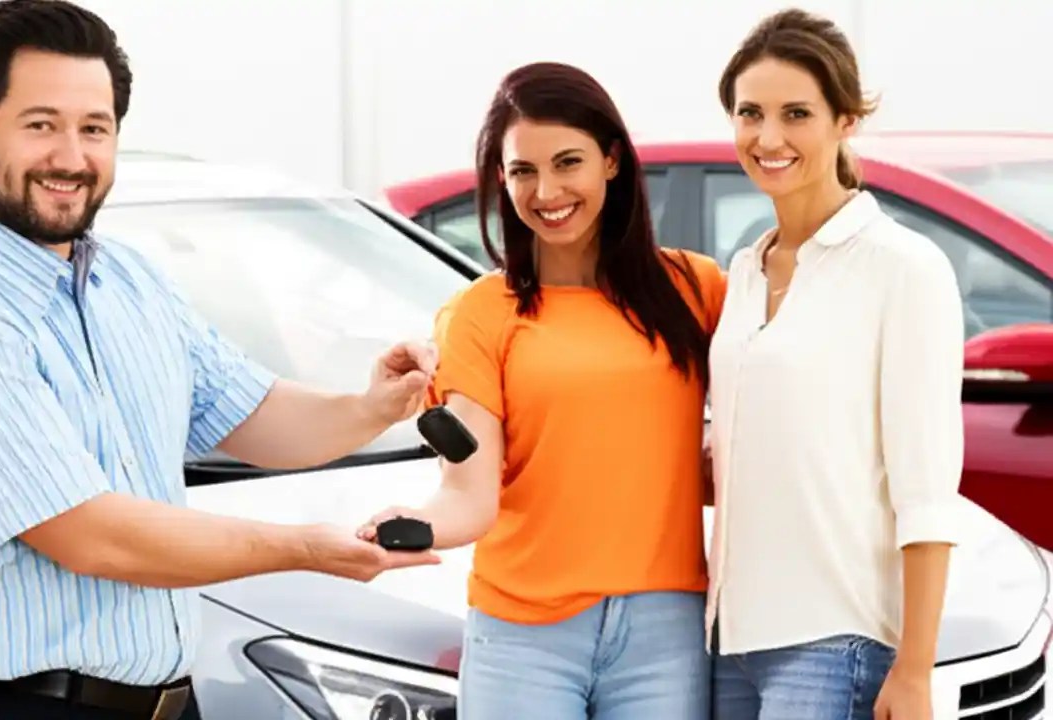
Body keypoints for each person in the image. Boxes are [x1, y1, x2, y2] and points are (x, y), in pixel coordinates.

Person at [0, 2, 439, 719]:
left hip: (169, 704)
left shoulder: (127, 279)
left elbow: (256, 416)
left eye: (93, 128)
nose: (71, 157)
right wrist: (309, 550)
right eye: (40, 125)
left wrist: (371, 405)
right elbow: (94, 538)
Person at [359, 62, 727, 720]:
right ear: (502, 178)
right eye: (523, 170)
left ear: (612, 160)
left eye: (567, 163)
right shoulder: (479, 314)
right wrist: (411, 527)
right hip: (523, 640)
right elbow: (469, 496)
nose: (547, 190)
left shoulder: (696, 291)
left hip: (664, 632)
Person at [705, 8, 966, 720]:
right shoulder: (747, 270)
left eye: (797, 114)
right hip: (730, 637)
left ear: (846, 120)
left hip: (835, 638)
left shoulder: (903, 268)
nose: (768, 138)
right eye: (750, 113)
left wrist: (915, 669)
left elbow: (927, 487)